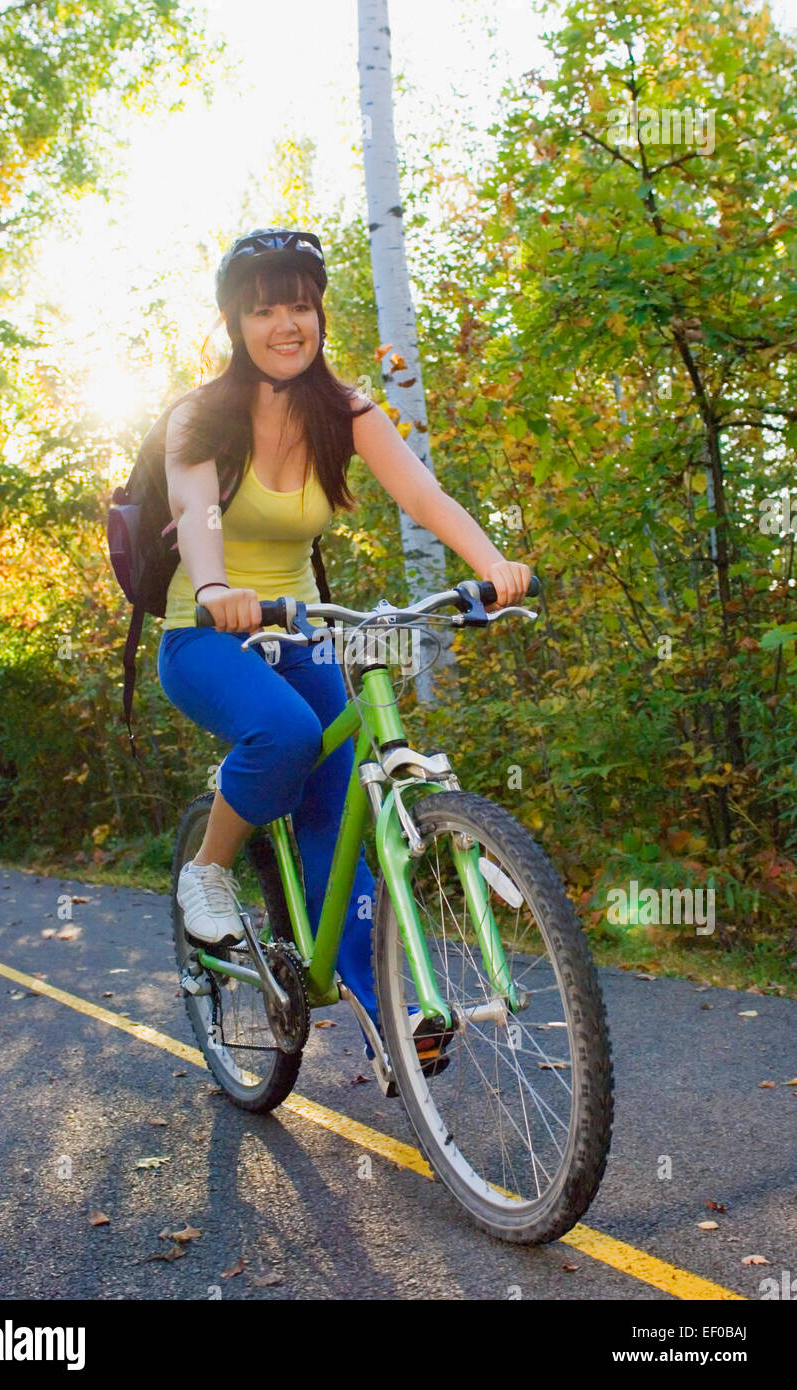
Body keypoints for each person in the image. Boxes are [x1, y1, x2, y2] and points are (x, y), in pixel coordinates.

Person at [157, 227, 530, 1041]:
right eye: (264, 310)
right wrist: (216, 586)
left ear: (319, 316)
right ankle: (208, 870)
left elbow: (424, 497)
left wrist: (493, 564)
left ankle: (388, 1008)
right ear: (234, 324)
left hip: (300, 632)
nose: (286, 324)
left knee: (338, 804)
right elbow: (196, 510)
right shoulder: (200, 414)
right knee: (287, 734)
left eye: (300, 306)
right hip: (206, 633)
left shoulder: (346, 411)